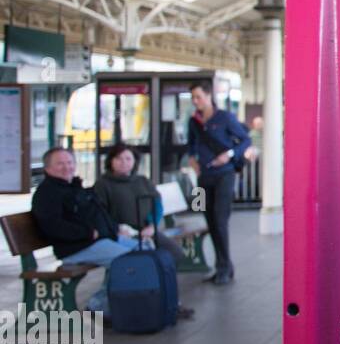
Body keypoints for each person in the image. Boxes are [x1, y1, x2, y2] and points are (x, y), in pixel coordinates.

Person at [32, 147, 139, 319]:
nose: (66, 167)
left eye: (69, 162)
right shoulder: (47, 194)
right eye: (60, 163)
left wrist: (115, 229)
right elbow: (53, 226)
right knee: (127, 260)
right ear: (48, 168)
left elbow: (98, 213)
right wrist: (88, 233)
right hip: (75, 248)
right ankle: (98, 306)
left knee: (143, 249)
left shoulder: (73, 187)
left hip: (98, 240)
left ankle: (128, 303)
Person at [93, 143, 194, 320]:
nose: (124, 162)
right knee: (143, 260)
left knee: (173, 254)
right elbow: (100, 212)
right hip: (121, 234)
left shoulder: (142, 181)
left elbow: (156, 204)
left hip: (146, 231)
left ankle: (165, 300)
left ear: (134, 161)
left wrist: (152, 225)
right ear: (111, 161)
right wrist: (116, 229)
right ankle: (136, 301)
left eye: (128, 158)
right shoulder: (103, 184)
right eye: (119, 158)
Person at [186, 80, 251, 285]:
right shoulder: (193, 121)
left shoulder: (225, 118)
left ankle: (224, 267)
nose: (196, 101)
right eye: (193, 98)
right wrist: (192, 158)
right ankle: (222, 266)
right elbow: (191, 144)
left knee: (220, 219)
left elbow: (245, 140)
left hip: (225, 174)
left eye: (199, 97)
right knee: (210, 221)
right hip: (204, 176)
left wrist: (230, 154)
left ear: (208, 96)